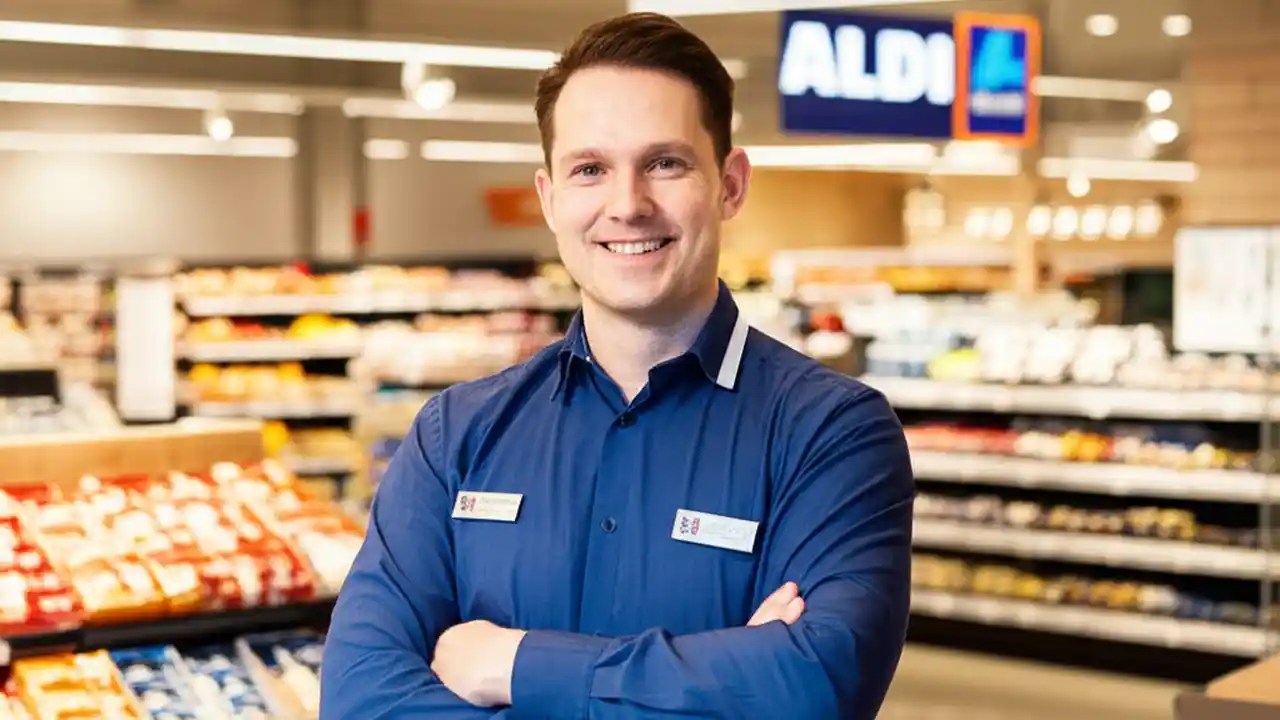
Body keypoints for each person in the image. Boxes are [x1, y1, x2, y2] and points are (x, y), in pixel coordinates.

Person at [321, 11, 914, 719]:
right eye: (590, 170)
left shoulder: (830, 434)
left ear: (729, 184)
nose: (627, 205)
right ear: (549, 198)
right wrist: (723, 680)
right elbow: (360, 695)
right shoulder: (457, 435)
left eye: (665, 163)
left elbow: (816, 687)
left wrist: (513, 664)